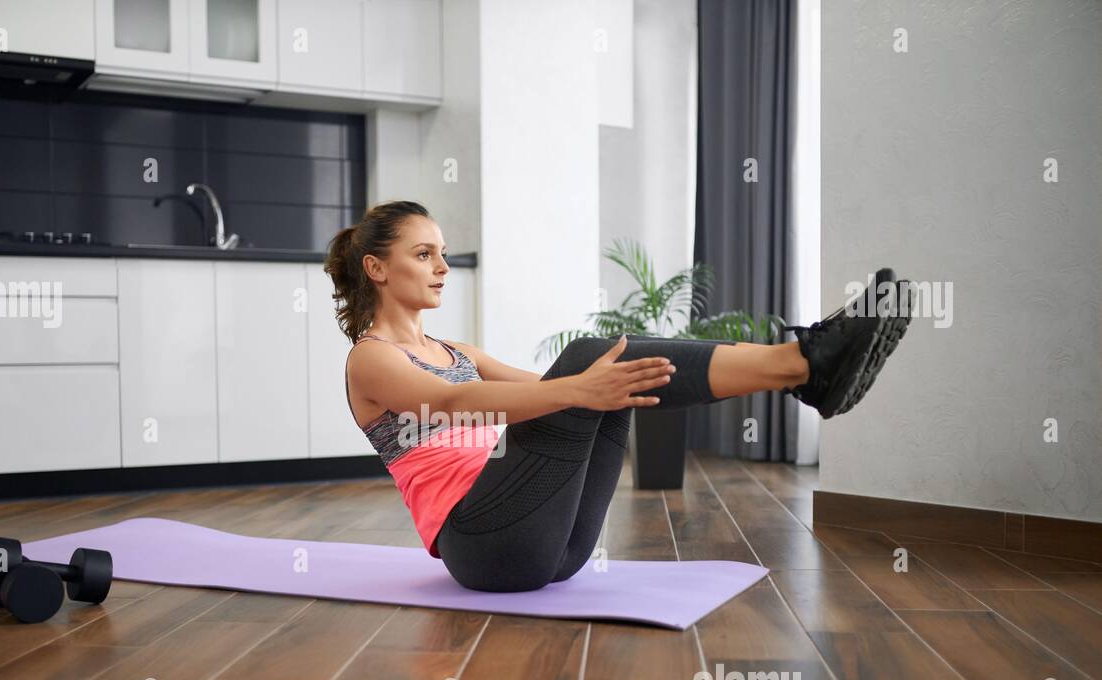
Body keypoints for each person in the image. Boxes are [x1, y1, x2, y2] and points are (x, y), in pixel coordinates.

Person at [326, 200, 911, 592]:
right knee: (587, 364)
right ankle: (806, 363)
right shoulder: (371, 358)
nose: (443, 267)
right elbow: (453, 405)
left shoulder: (460, 353)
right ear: (376, 268)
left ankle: (802, 367)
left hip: (558, 546)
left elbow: (557, 392)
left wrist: (591, 387)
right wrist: (580, 386)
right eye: (423, 254)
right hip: (484, 548)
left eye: (444, 253)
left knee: (604, 368)